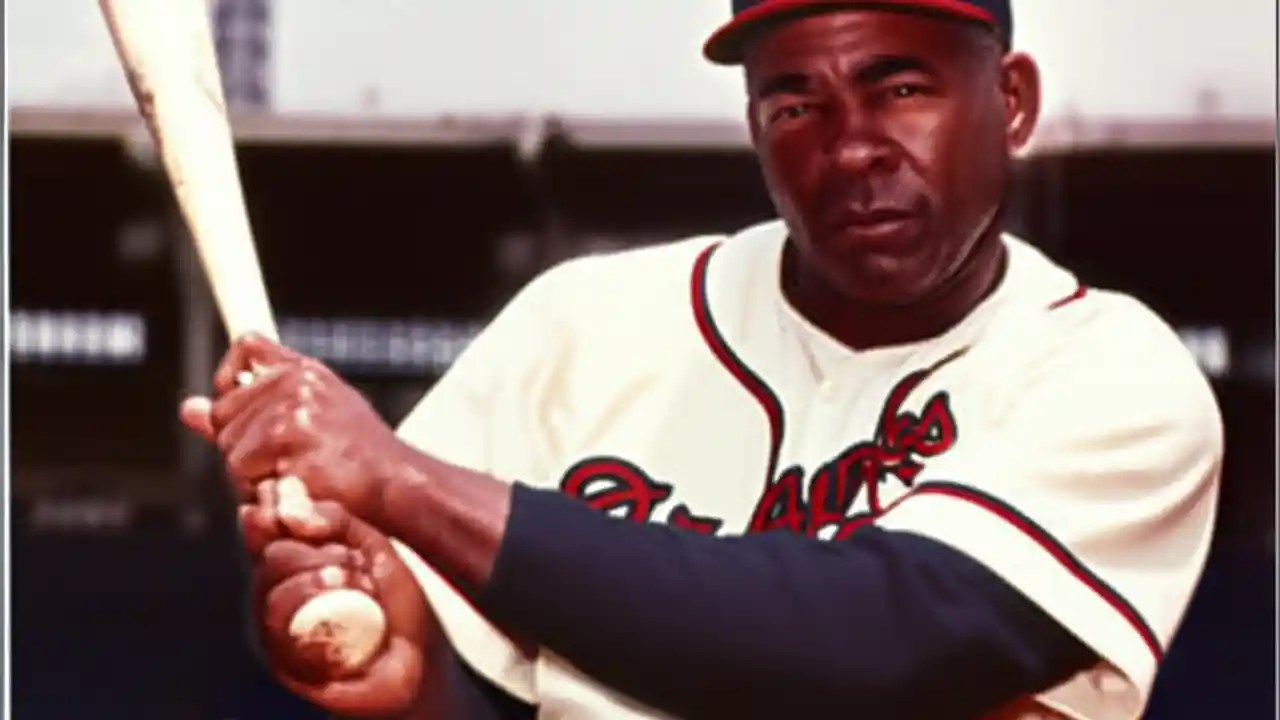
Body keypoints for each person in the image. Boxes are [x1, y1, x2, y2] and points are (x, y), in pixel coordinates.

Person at [180, 1, 1224, 718]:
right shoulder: (582, 327)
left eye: (899, 87)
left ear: (1011, 101)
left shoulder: (1106, 372)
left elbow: (875, 642)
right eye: (793, 103)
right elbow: (469, 691)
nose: (848, 143)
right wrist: (407, 681)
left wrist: (402, 483)